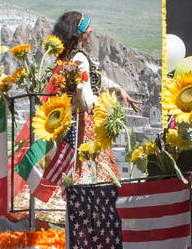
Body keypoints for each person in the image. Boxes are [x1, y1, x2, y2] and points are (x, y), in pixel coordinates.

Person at [50, 10, 141, 185]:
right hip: (87, 118)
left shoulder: (72, 57)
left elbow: (94, 80)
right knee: (91, 161)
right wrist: (92, 107)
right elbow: (83, 87)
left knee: (85, 161)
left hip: (80, 116)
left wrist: (118, 89)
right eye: (88, 27)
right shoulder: (79, 58)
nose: (91, 31)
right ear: (80, 32)